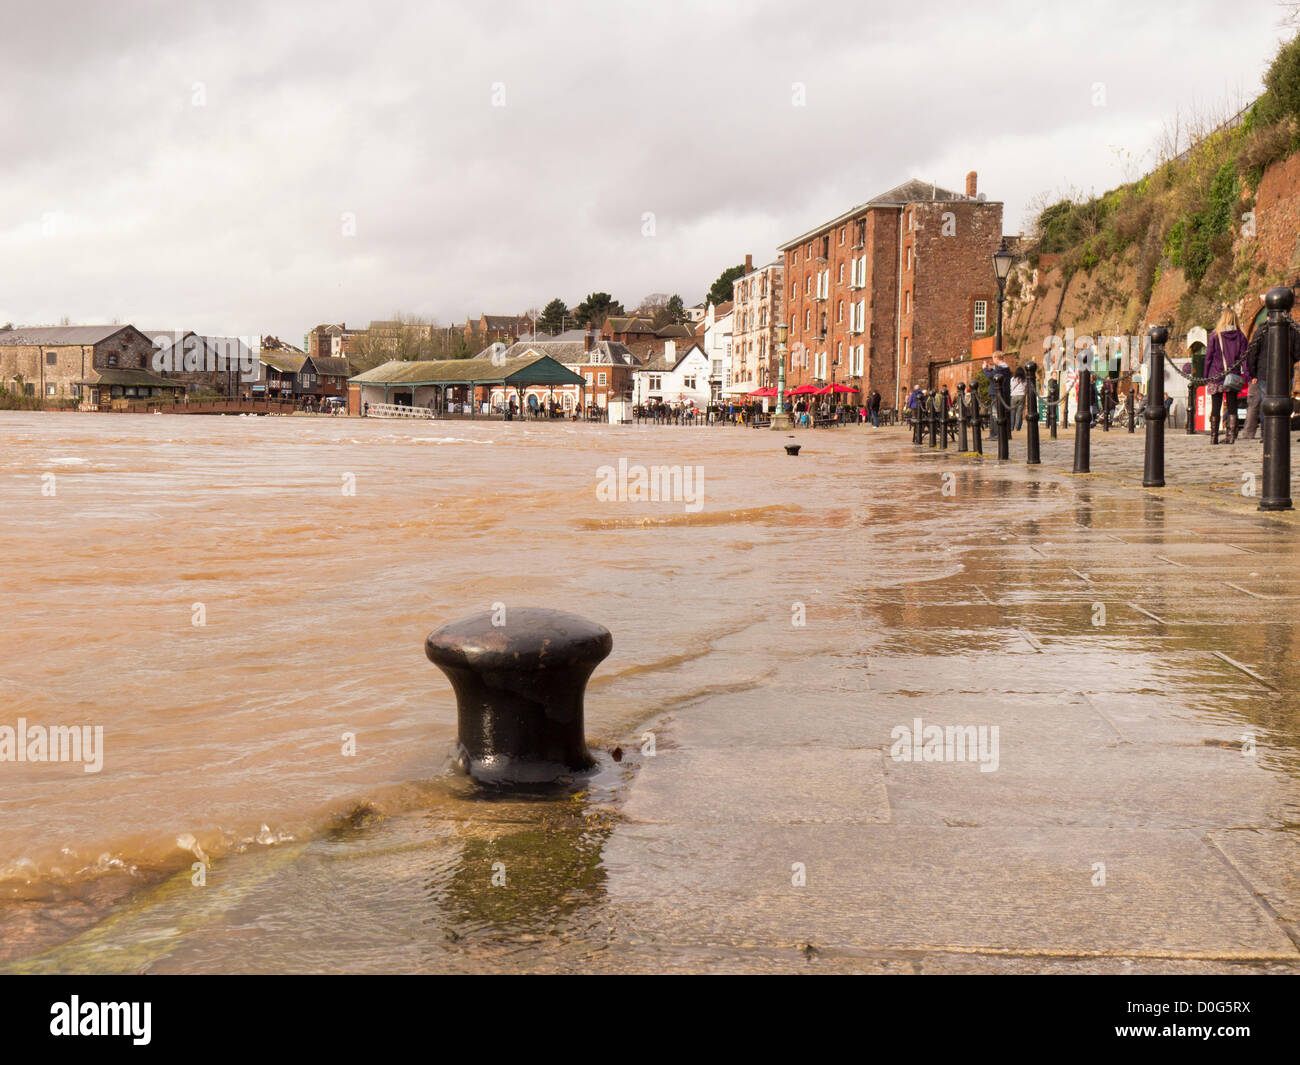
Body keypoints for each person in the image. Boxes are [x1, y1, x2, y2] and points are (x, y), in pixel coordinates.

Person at [1204, 308, 1247, 444]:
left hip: (1215, 375)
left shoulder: (1215, 335)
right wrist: (1248, 374)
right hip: (1232, 375)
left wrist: (1205, 376)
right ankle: (1231, 436)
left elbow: (1209, 358)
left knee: (1215, 407)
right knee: (1232, 405)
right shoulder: (1240, 336)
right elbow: (1244, 358)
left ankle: (1213, 437)